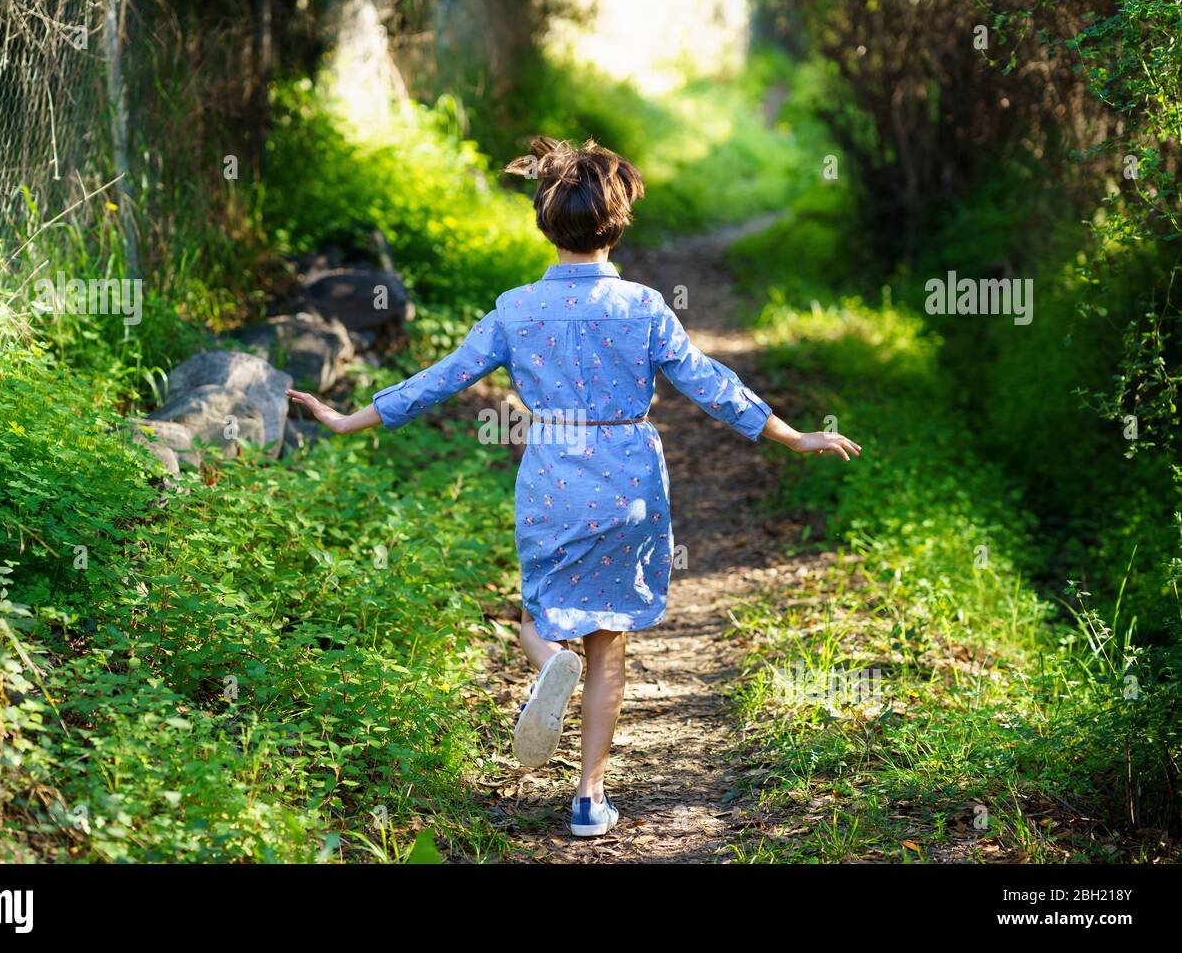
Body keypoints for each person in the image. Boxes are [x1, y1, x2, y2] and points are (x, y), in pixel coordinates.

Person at [286, 136, 862, 838]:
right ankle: (589, 798)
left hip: (555, 474)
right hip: (628, 481)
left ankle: (549, 661)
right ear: (617, 223)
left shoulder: (516, 309)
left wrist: (349, 417)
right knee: (609, 642)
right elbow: (712, 385)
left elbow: (440, 378)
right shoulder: (644, 307)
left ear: (545, 222)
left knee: (536, 617)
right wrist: (792, 434)